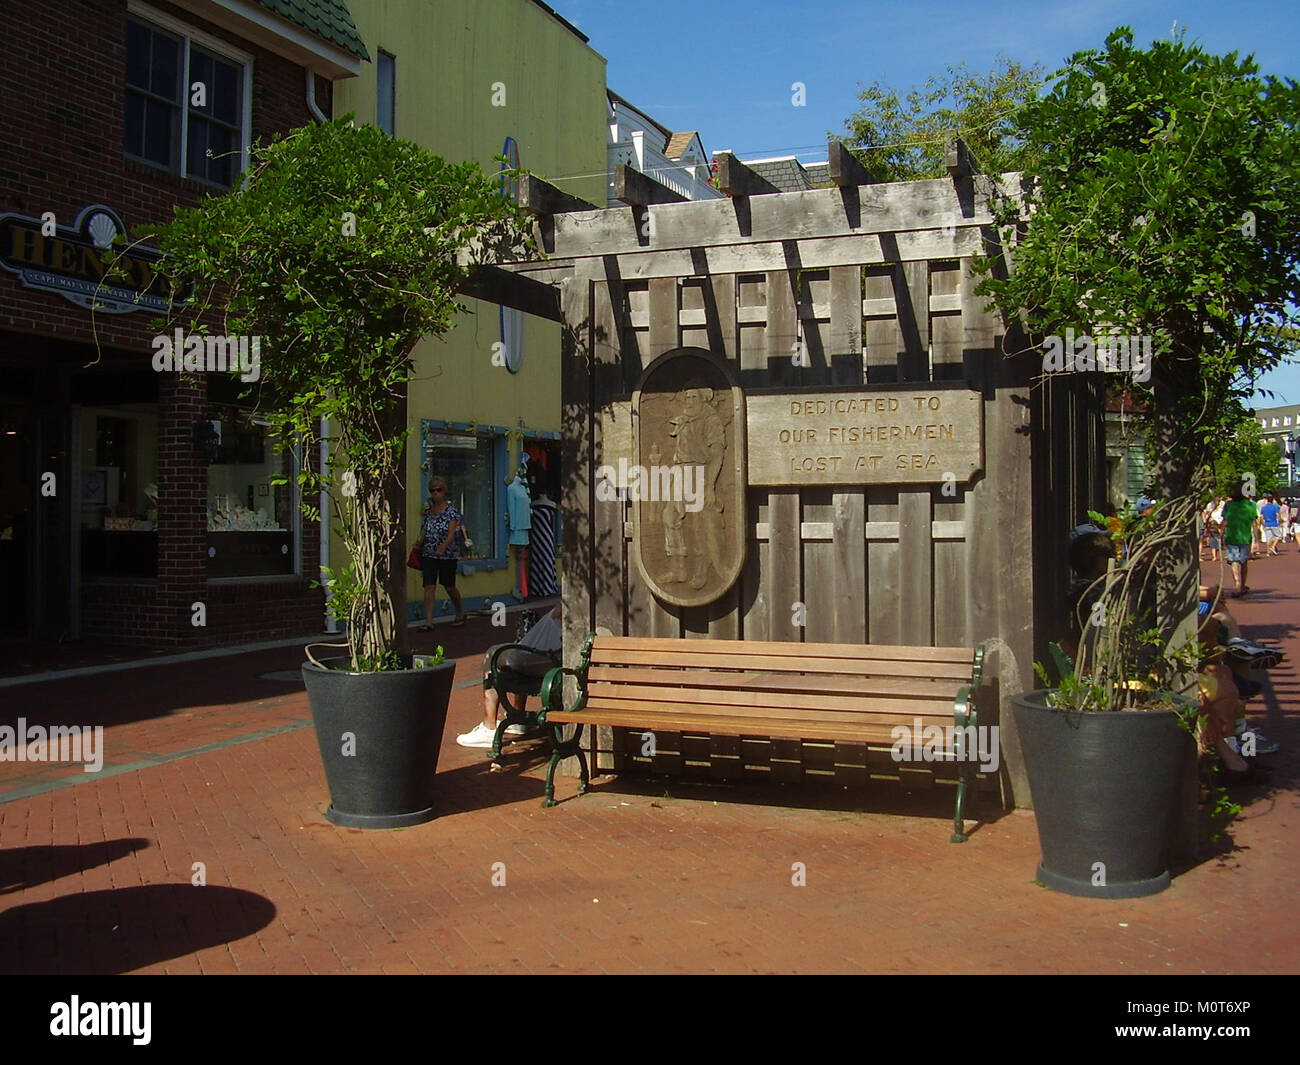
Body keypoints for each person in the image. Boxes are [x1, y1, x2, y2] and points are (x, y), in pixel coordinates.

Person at [457, 601, 562, 748]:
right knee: (520, 646)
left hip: (548, 660)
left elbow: (559, 612)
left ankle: (489, 726)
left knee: (493, 654)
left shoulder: (572, 603)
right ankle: (518, 718)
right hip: (553, 657)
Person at [417, 476, 465, 629]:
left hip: (447, 554)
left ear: (444, 491)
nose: (435, 493)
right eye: (432, 490)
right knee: (429, 586)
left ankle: (459, 611)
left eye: (438, 490)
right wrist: (419, 543)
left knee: (449, 585)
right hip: (429, 553)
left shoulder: (451, 511)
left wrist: (443, 547)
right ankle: (429, 622)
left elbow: (451, 532)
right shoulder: (429, 511)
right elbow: (426, 530)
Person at [1221, 481, 1258, 597]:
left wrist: (1221, 534)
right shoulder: (1251, 505)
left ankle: (1237, 584)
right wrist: (1257, 540)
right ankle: (1242, 585)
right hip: (1245, 537)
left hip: (1232, 536)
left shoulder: (1228, 505)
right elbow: (1254, 523)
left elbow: (1225, 521)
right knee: (1243, 562)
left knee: (1234, 561)